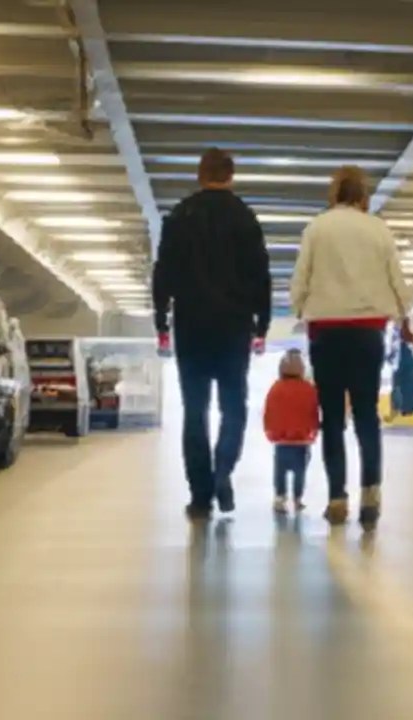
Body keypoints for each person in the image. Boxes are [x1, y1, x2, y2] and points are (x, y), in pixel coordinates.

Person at [290, 165, 412, 528]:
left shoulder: (317, 228)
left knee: (331, 420)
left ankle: (337, 497)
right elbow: (396, 277)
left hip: (326, 333)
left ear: (334, 193)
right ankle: (371, 495)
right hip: (367, 333)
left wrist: (300, 308)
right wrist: (406, 316)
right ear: (363, 196)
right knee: (365, 416)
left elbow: (301, 278)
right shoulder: (378, 230)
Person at [153, 148, 272, 520]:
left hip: (191, 324)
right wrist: (262, 324)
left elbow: (163, 271)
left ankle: (201, 495)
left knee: (195, 410)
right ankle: (223, 470)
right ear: (231, 176)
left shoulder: (180, 216)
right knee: (234, 407)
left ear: (200, 174)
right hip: (234, 326)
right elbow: (261, 275)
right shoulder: (245, 217)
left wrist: (161, 320)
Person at [263, 349, 319, 514]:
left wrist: (269, 430)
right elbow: (313, 412)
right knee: (300, 471)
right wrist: (313, 430)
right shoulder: (309, 389)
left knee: (279, 470)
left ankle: (280, 496)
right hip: (302, 440)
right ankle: (298, 497)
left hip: (281, 440)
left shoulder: (276, 388)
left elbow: (269, 412)